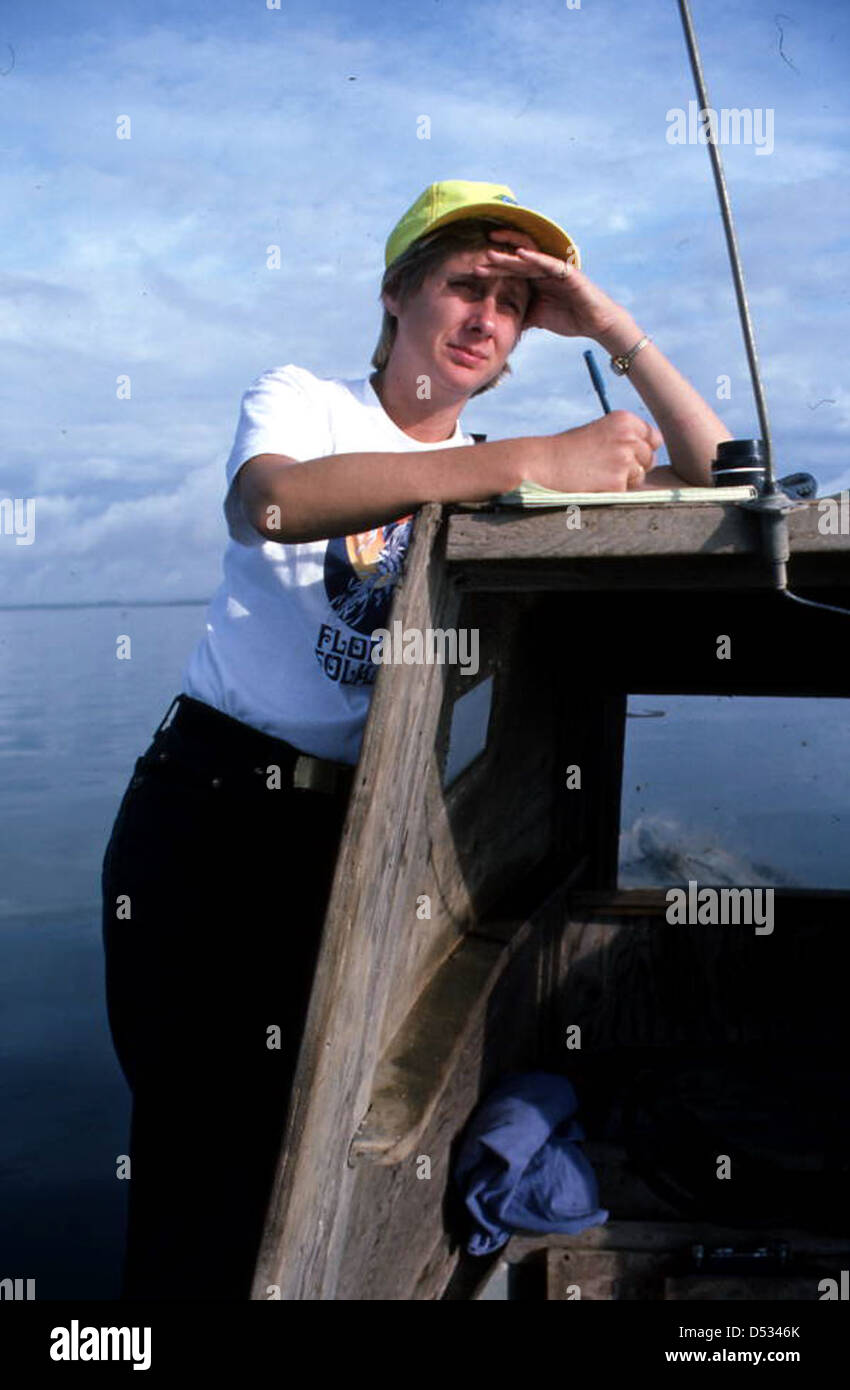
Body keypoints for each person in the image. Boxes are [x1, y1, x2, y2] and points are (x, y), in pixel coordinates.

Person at [101, 179, 731, 1301]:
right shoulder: (306, 400)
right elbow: (276, 506)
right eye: (462, 285)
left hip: (360, 841)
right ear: (396, 296)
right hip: (209, 820)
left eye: (514, 301)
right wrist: (520, 463)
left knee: (306, 1153)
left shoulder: (512, 466)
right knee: (201, 1161)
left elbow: (724, 482)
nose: (487, 317)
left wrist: (609, 327)